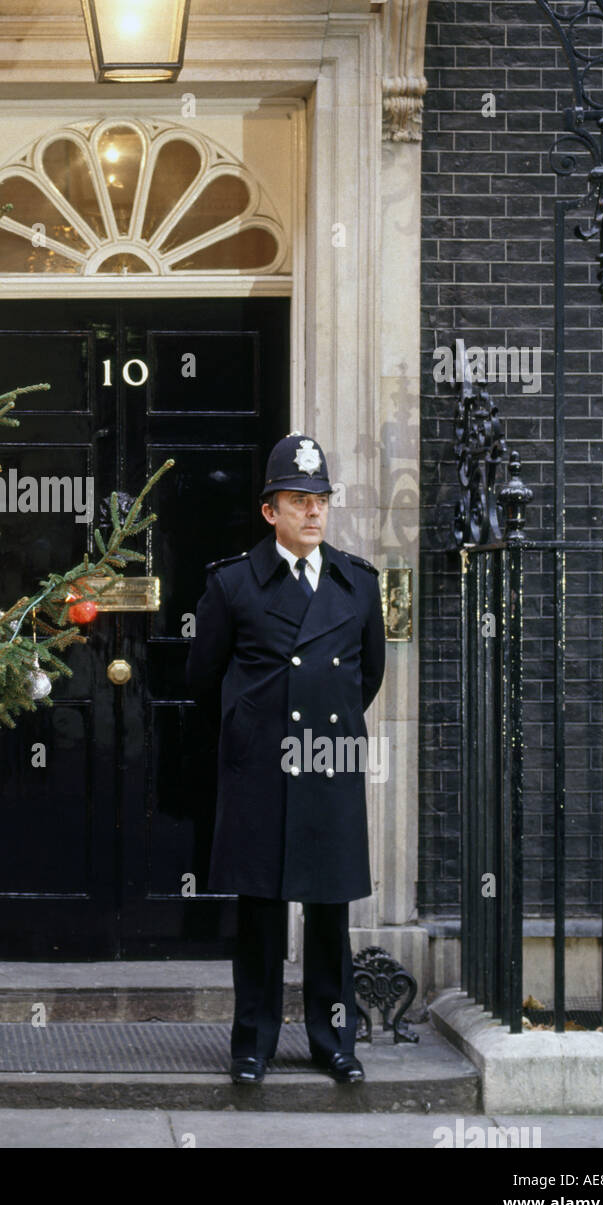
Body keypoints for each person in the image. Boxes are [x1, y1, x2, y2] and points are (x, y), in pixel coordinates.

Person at [185, 434, 385, 1085]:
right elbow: (203, 675)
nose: (314, 512)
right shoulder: (234, 583)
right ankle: (254, 1044)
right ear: (270, 510)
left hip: (328, 764)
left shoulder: (356, 584)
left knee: (330, 915)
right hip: (261, 772)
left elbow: (368, 676)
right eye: (299, 500)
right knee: (261, 917)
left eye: (321, 499)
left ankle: (334, 1041)